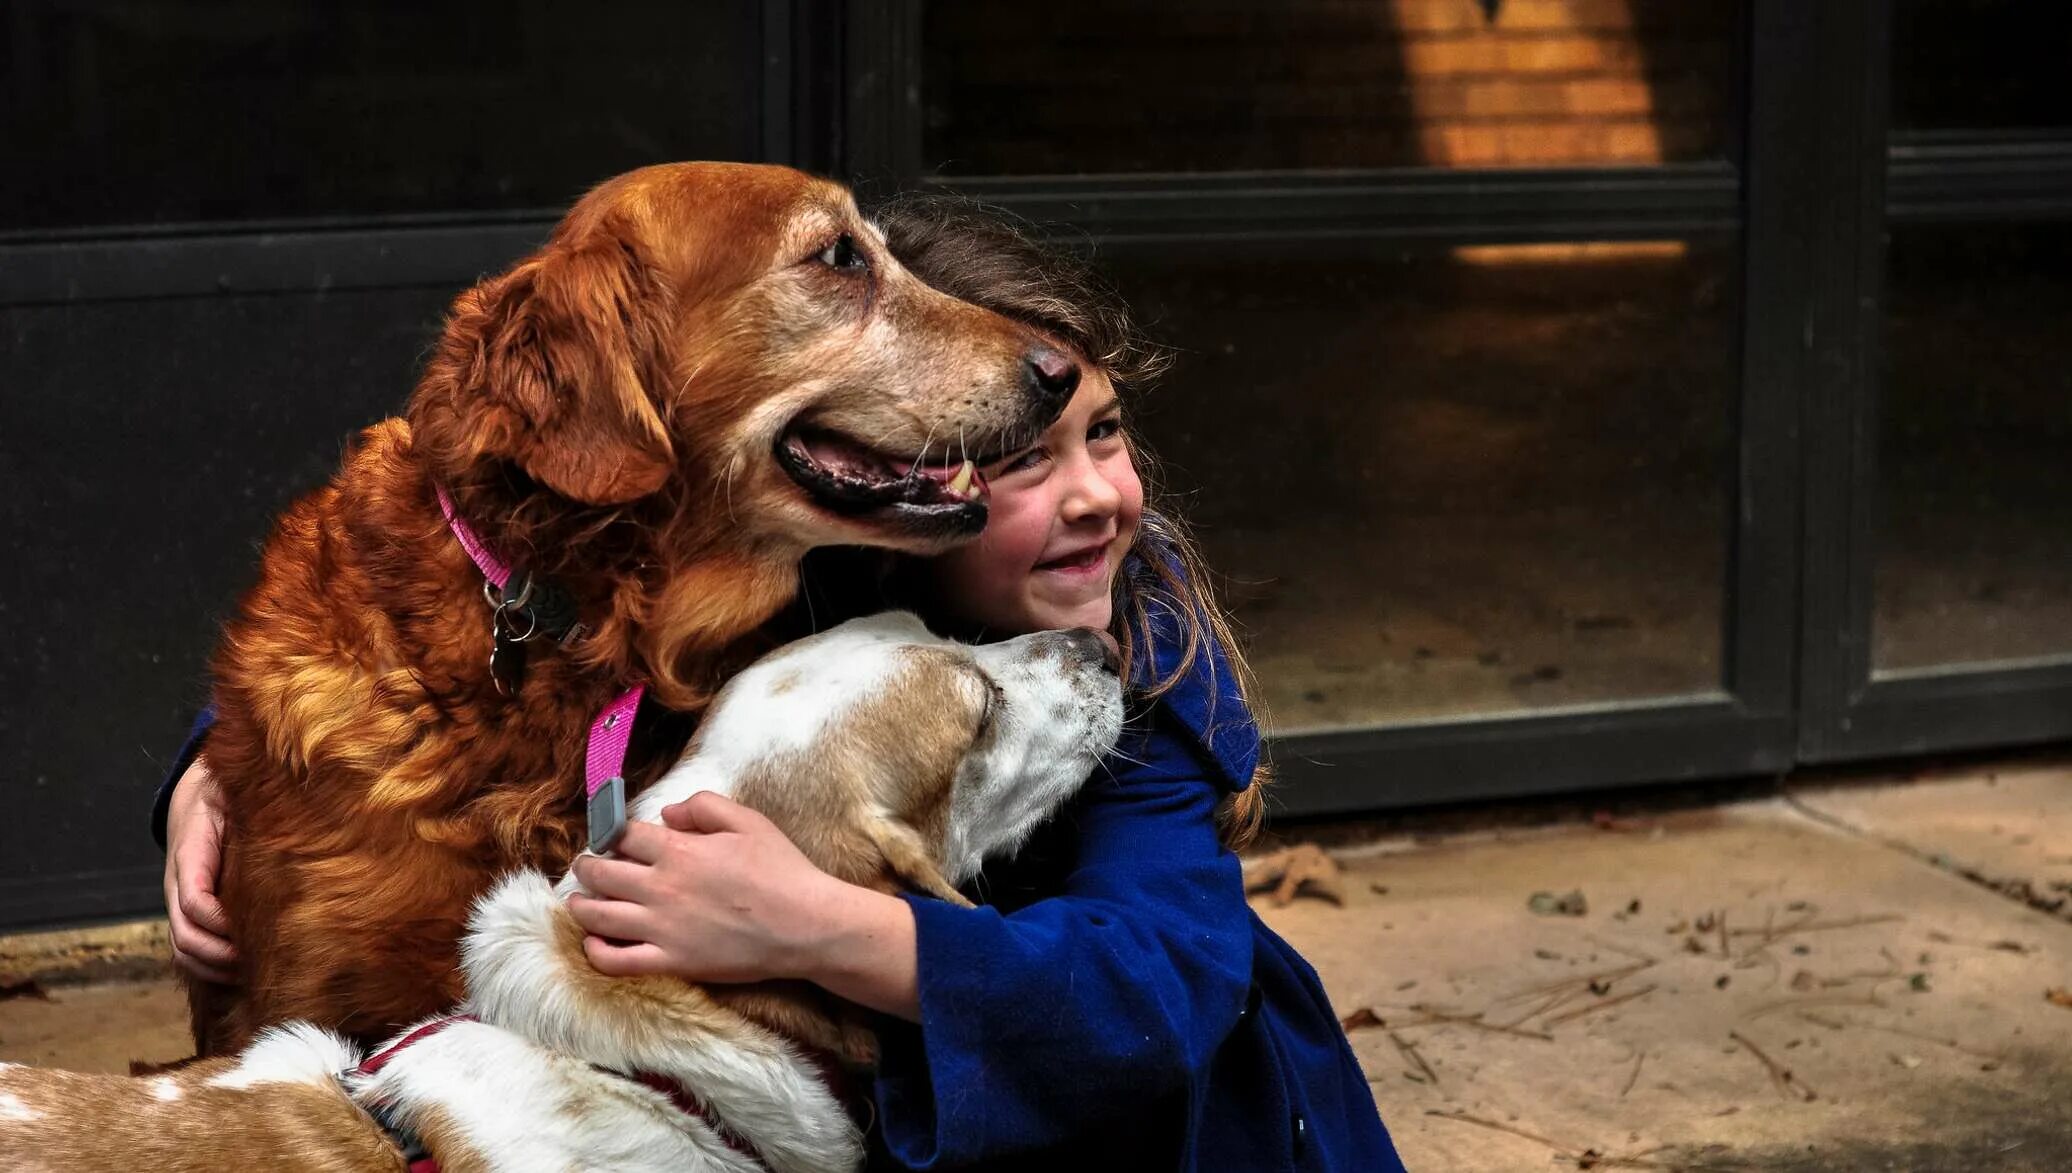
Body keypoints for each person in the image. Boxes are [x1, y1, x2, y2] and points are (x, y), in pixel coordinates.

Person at [155, 195, 1406, 1173]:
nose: (1094, 496)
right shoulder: (783, 573)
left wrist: (826, 931)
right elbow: (471, 594)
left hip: (1163, 1136)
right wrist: (221, 765)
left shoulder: (1140, 660)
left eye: (1107, 432)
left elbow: (1161, 989)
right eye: (1011, 460)